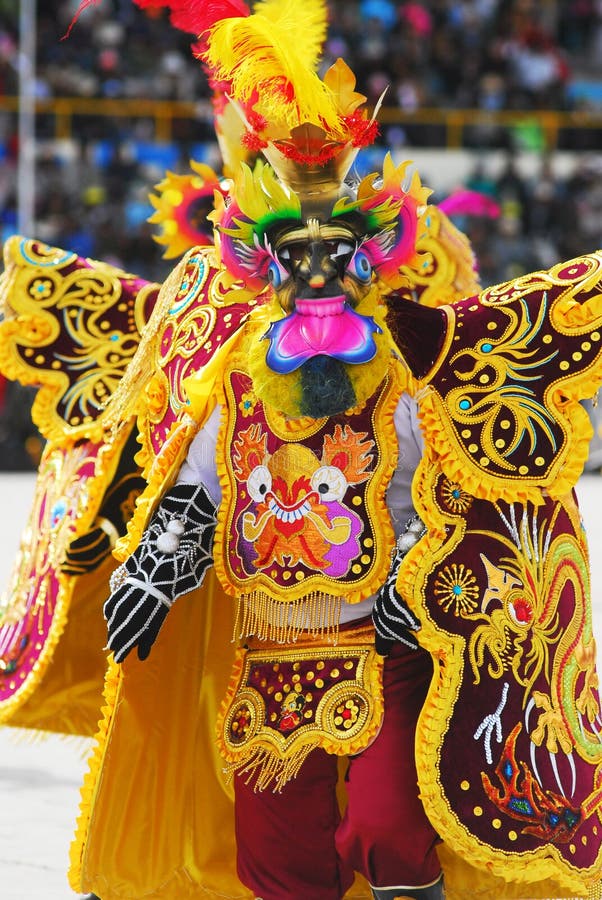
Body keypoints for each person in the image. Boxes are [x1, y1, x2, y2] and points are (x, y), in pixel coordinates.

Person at [1, 2, 602, 899]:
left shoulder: (402, 365)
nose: (319, 271)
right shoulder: (240, 365)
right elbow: (195, 477)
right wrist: (157, 564)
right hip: (269, 652)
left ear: (372, 254)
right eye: (297, 254)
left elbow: (449, 491)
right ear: (263, 262)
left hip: (386, 643)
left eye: (337, 251)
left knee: (390, 830)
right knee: (279, 864)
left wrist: (417, 585)